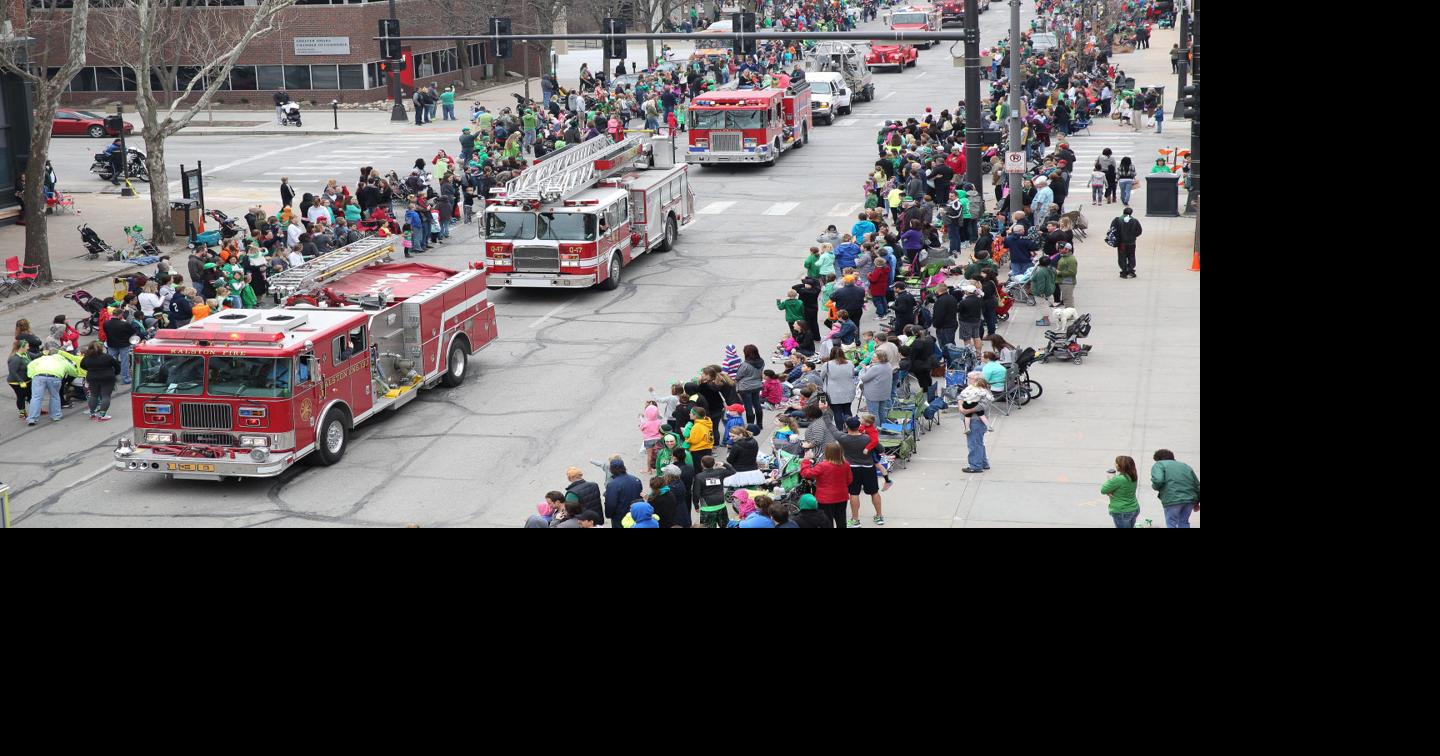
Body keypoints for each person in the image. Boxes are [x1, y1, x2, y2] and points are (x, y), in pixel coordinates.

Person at [838, 416, 883, 527]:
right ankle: (879, 516)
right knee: (874, 492)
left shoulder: (843, 438)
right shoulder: (868, 438)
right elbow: (881, 449)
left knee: (854, 493)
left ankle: (855, 520)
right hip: (868, 468)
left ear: (847, 427)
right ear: (859, 426)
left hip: (852, 468)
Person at [800, 442, 853, 528]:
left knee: (827, 522)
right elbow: (849, 480)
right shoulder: (846, 464)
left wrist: (806, 461)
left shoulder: (823, 466)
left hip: (825, 499)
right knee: (841, 520)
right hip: (842, 496)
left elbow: (806, 473)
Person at [25, 340, 77, 425]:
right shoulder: (62, 359)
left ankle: (32, 418)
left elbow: (30, 365)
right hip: (55, 377)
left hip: (39, 376)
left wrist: (31, 375)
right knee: (55, 396)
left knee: (36, 397)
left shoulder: (42, 358)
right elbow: (72, 371)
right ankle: (55, 416)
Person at [1151, 449, 1201, 528]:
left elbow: (1158, 480)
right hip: (1190, 500)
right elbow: (1197, 485)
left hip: (1172, 499)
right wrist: (1197, 502)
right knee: (1184, 522)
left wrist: (1155, 486)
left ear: (1158, 459)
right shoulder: (1185, 466)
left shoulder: (1159, 464)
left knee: (1171, 524)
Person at [78, 341, 121, 421]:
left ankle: (92, 413)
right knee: (105, 396)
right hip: (107, 378)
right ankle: (102, 415)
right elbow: (117, 366)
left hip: (92, 378)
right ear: (101, 348)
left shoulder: (87, 358)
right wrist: (114, 373)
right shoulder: (107, 357)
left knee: (93, 395)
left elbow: (82, 365)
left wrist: (91, 370)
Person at [816, 346, 857, 425]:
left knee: (837, 412)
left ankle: (840, 430)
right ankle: (851, 427)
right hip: (849, 390)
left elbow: (822, 376)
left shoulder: (827, 364)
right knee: (847, 410)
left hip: (833, 392)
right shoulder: (850, 363)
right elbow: (852, 374)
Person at [959, 375, 991, 473]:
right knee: (978, 443)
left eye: (971, 378)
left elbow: (981, 406)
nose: (968, 380)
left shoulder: (983, 393)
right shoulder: (971, 389)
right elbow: (960, 397)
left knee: (974, 444)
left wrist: (966, 410)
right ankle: (983, 462)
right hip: (974, 421)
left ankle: (975, 466)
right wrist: (961, 406)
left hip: (976, 422)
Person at [1102, 456, 1141, 528]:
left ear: (1121, 465)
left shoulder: (1118, 479)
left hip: (1122, 511)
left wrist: (1110, 480)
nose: (1115, 464)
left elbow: (1103, 489)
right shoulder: (1133, 476)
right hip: (1134, 508)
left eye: (1116, 463)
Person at [602, 459, 642, 529]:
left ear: (612, 469)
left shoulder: (613, 484)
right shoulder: (636, 480)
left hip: (620, 518)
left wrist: (608, 515)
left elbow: (611, 504)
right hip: (635, 514)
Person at [735, 344, 765, 427]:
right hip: (757, 385)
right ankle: (759, 424)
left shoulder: (745, 364)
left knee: (748, 406)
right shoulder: (761, 361)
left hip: (745, 387)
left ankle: (750, 426)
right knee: (757, 404)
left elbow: (738, 376)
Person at [1110, 206, 1143, 278]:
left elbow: (1112, 230)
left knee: (1122, 257)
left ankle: (1124, 272)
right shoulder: (1135, 221)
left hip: (1122, 243)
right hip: (1132, 243)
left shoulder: (1117, 220)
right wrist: (1133, 236)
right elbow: (1139, 231)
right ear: (1131, 213)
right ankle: (1131, 270)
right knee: (1131, 256)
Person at [1056, 243, 1077, 307]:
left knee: (1068, 300)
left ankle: (1070, 315)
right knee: (1066, 299)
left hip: (1067, 282)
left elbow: (1073, 272)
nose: (1059, 249)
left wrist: (1059, 272)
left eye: (1061, 248)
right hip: (1063, 281)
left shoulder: (1071, 259)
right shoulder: (1064, 256)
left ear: (1067, 249)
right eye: (1059, 248)